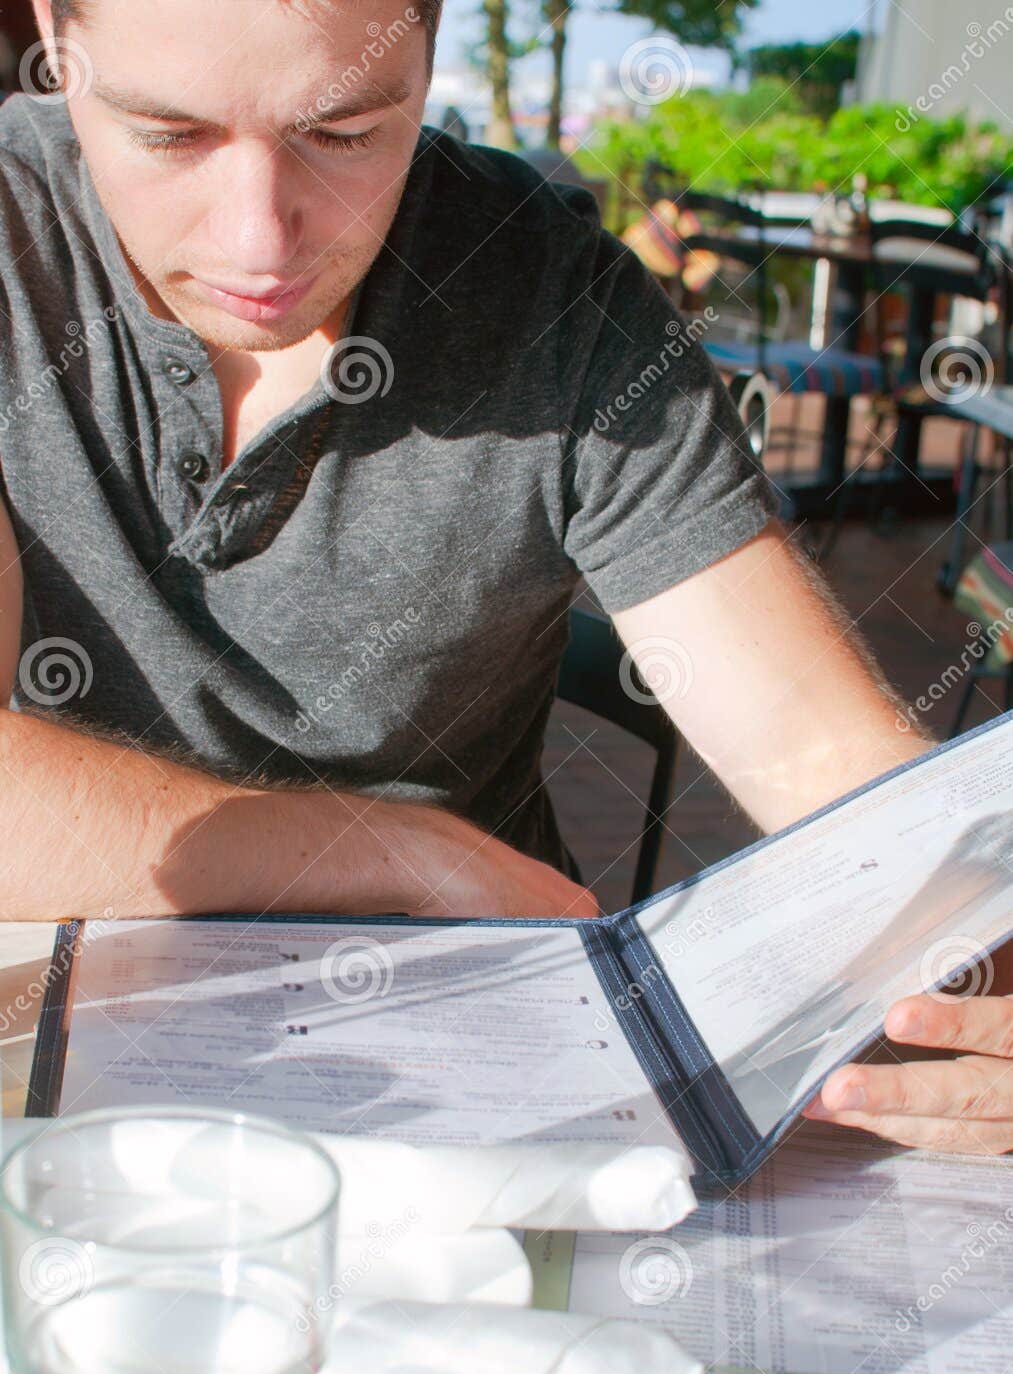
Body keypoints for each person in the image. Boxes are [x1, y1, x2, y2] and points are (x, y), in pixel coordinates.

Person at [0, 0, 1008, 1152]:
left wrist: (975, 953)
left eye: (343, 133)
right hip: (78, 1041)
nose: (258, 242)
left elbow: (825, 763)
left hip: (496, 1054)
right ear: (54, 35)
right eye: (169, 135)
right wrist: (402, 853)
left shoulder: (555, 303)